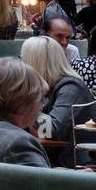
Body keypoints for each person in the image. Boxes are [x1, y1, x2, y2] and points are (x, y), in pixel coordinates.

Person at [20, 35, 93, 167]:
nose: (21, 64)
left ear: (36, 62)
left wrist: (21, 102)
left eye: (23, 58)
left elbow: (50, 130)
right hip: (51, 158)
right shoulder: (47, 85)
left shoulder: (71, 87)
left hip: (74, 164)